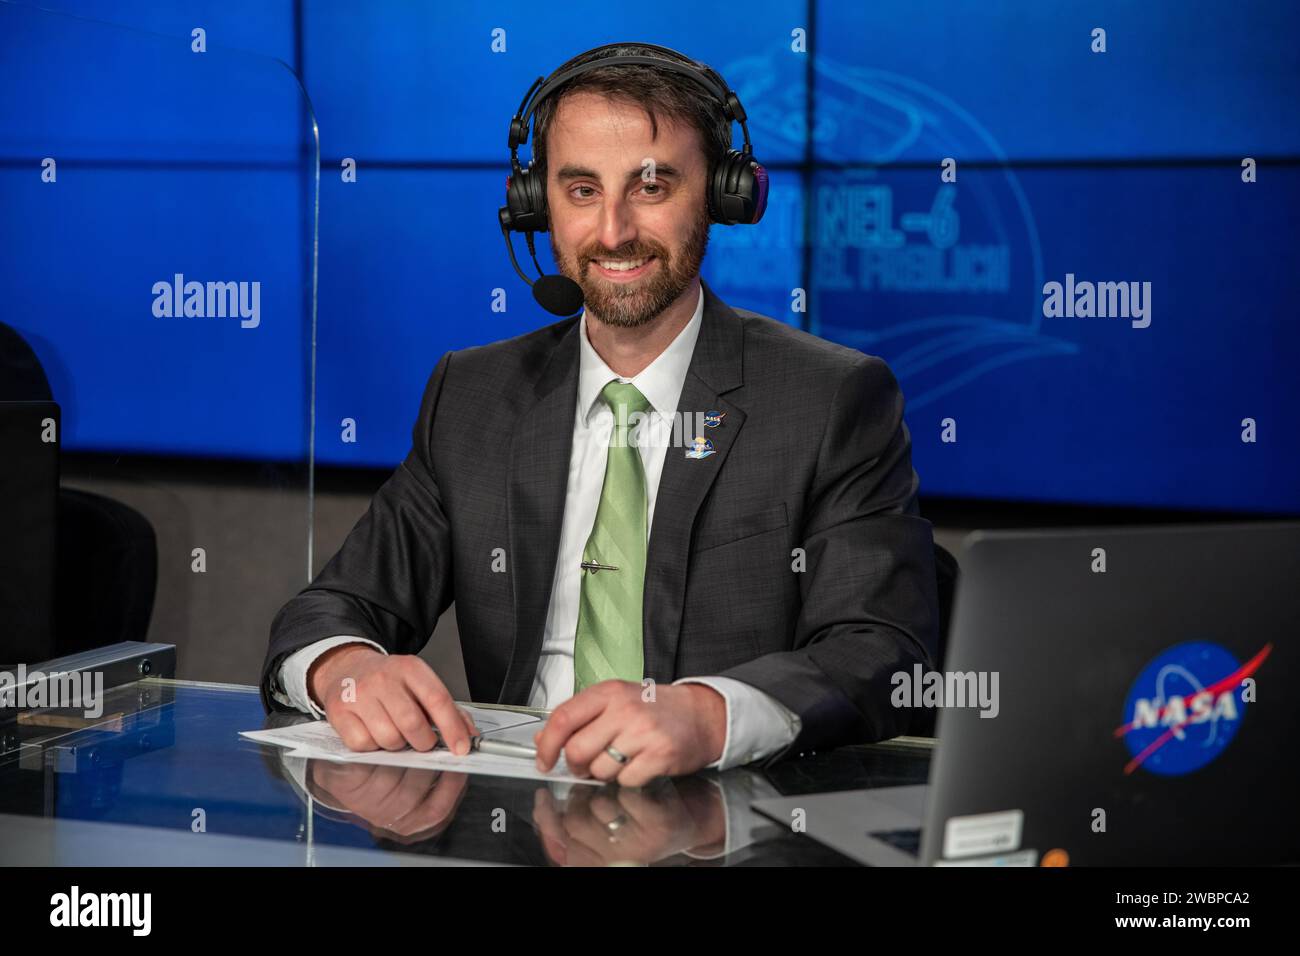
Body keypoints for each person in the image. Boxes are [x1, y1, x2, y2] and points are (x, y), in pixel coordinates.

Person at [260, 43, 939, 787]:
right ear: (534, 205)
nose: (613, 231)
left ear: (720, 195)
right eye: (581, 190)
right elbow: (334, 604)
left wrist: (710, 714)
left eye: (651, 187)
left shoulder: (831, 397)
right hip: (512, 816)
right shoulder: (474, 393)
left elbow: (882, 650)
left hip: (726, 818)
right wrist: (346, 667)